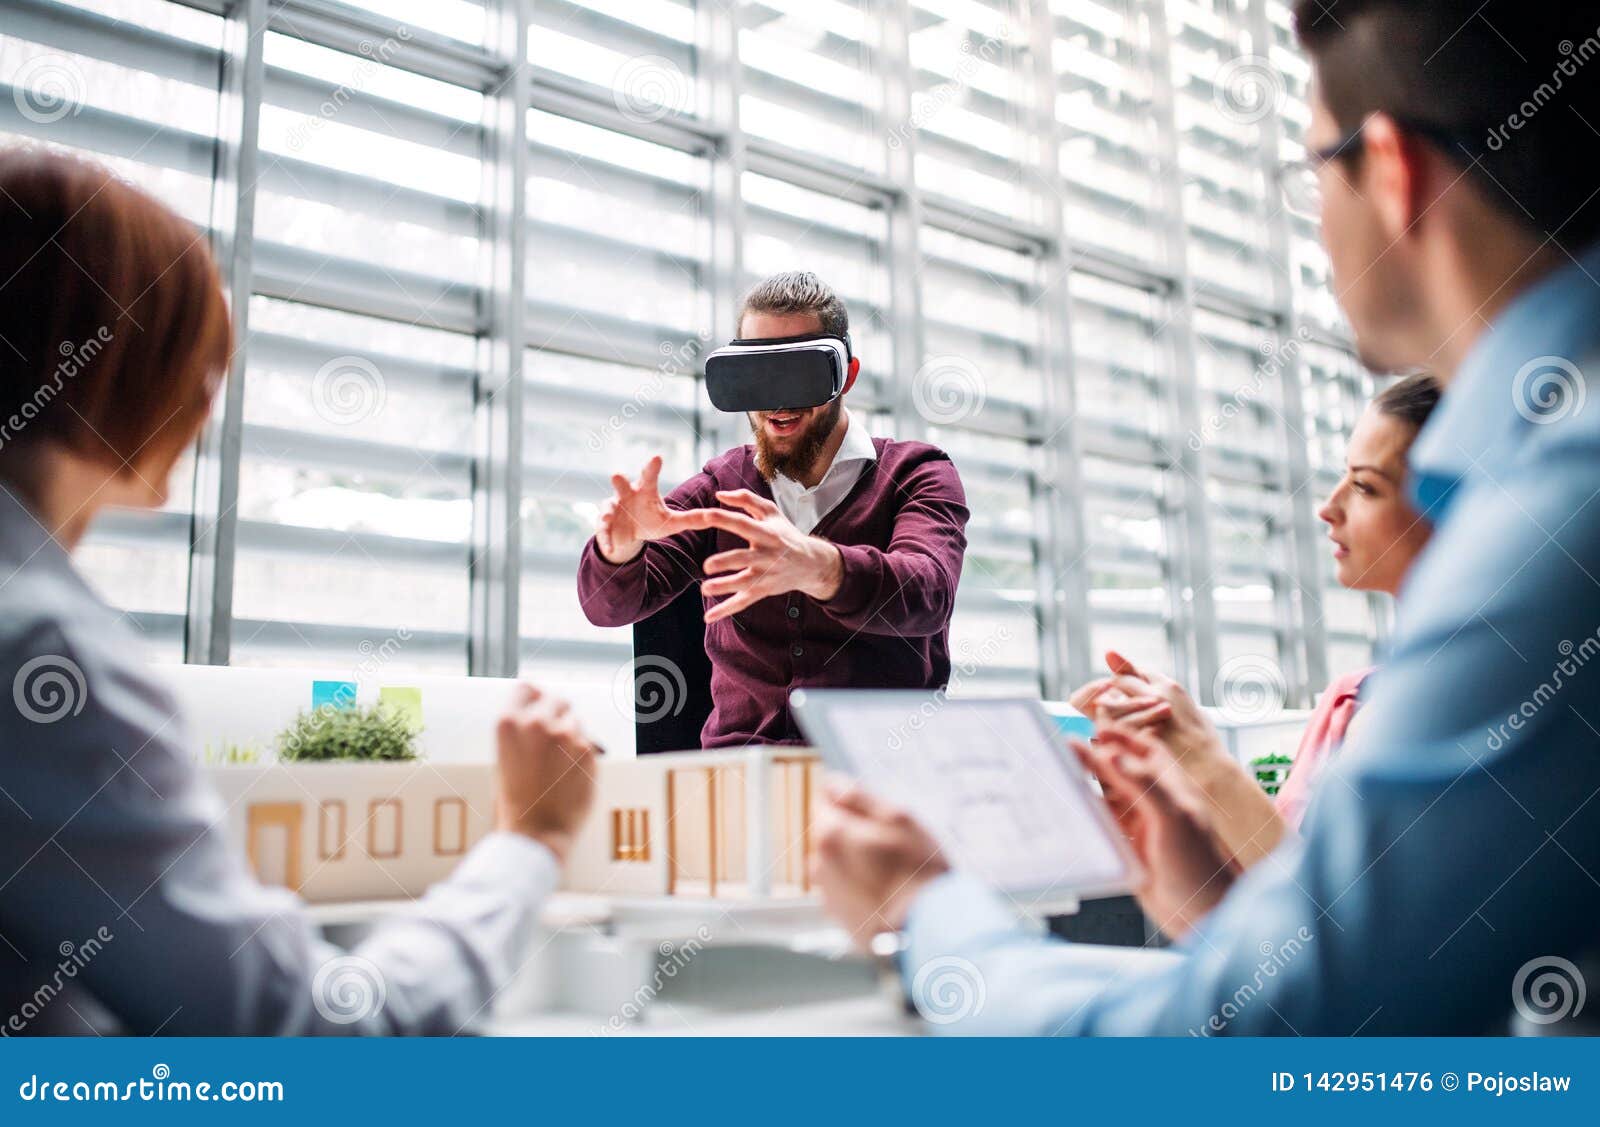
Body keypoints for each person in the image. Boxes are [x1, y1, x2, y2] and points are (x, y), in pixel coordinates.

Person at [813, 0, 1600, 1034]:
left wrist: (928, 912)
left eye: (1311, 169)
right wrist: (1216, 907)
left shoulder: (1559, 516)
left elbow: (1266, 1040)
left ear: (1391, 168)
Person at [0, 147, 599, 1035]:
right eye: (199, 366)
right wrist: (531, 840)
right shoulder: (49, 657)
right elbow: (312, 1036)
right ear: (135, 376)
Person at [577, 272, 970, 747]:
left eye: (798, 373)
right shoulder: (722, 486)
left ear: (845, 375)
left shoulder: (916, 473)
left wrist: (819, 566)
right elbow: (607, 607)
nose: (777, 402)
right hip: (740, 779)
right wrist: (617, 552)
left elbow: (927, 594)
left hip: (876, 778)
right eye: (757, 375)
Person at [1072, 374, 1441, 871]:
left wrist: (1204, 759)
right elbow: (1269, 902)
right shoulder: (1346, 703)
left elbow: (1330, 917)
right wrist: (1152, 781)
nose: (1328, 508)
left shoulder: (1476, 710)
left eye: (1364, 486)